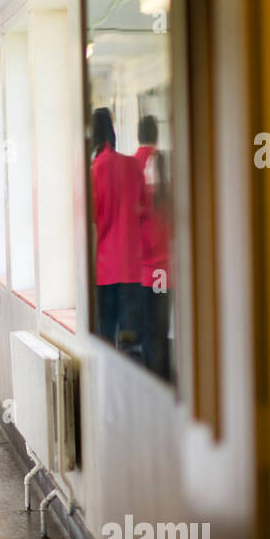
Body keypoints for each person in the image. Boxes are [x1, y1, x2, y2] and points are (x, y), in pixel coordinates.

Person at [90, 107, 144, 350]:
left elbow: (93, 216)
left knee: (106, 342)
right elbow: (143, 209)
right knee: (131, 345)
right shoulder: (132, 165)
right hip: (133, 268)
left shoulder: (94, 170)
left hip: (105, 270)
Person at [135, 115, 172, 380]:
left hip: (139, 271)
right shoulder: (165, 167)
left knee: (144, 331)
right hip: (164, 270)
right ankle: (160, 381)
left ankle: (147, 383)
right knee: (160, 330)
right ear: (157, 134)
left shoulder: (130, 167)